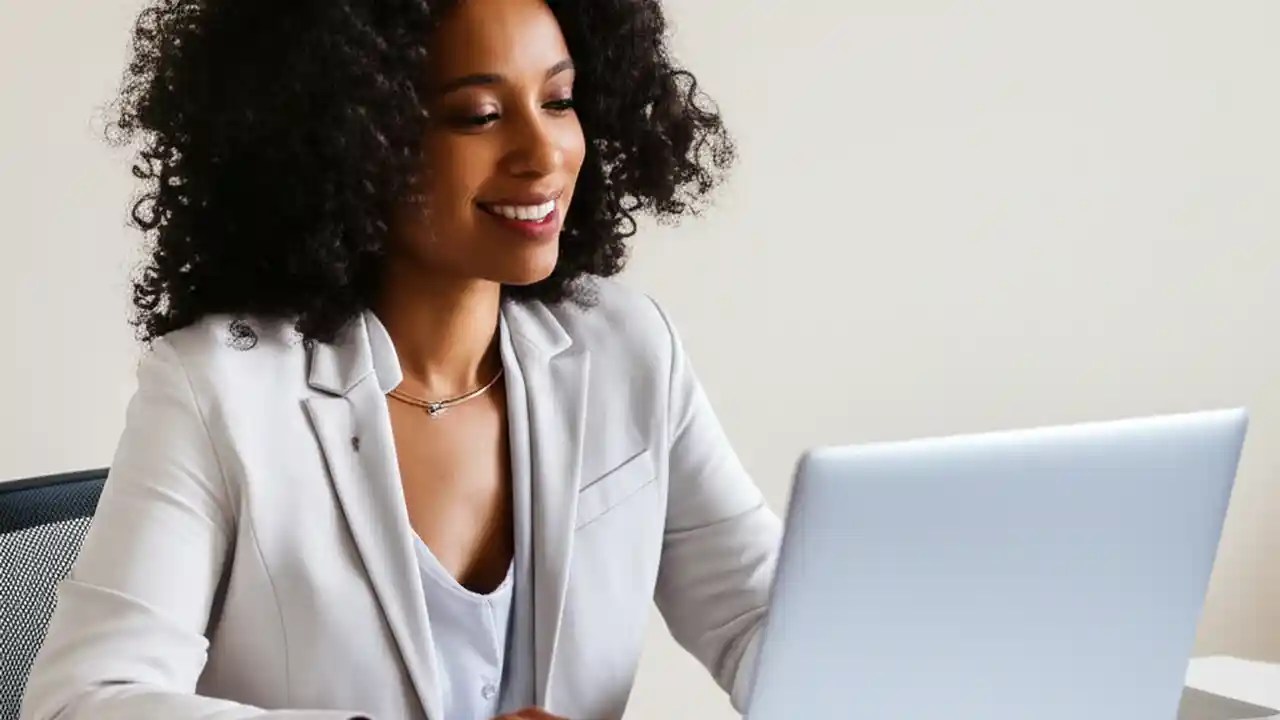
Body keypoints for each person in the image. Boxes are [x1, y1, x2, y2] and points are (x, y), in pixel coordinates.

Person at [19, 0, 781, 718]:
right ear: (355, 138)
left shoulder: (625, 346)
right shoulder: (219, 388)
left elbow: (763, 623)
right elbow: (85, 700)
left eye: (558, 100)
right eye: (478, 115)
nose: (543, 150)